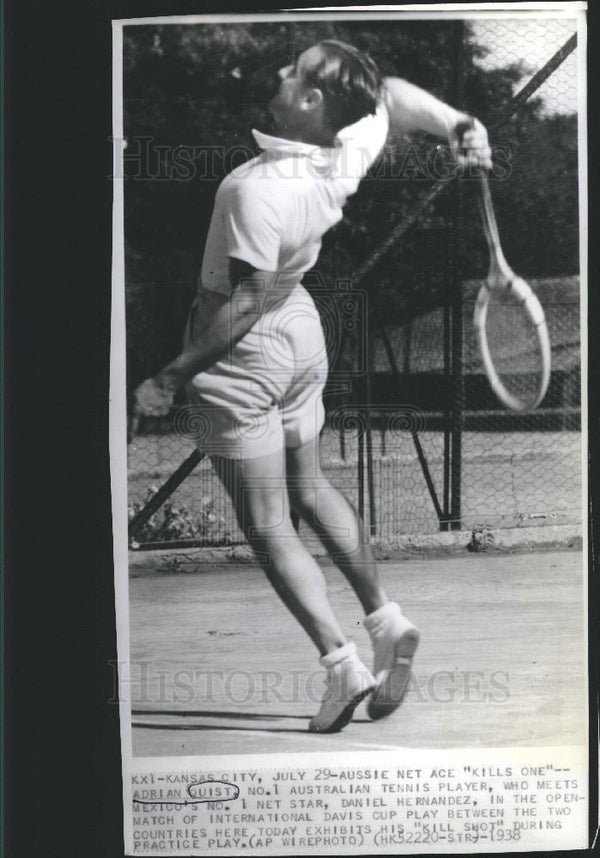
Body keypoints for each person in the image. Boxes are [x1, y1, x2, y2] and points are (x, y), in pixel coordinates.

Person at [133, 40, 492, 733]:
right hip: (300, 331)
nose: (281, 73)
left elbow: (242, 303)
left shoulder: (254, 189)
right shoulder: (343, 151)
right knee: (313, 486)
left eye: (295, 72)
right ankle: (386, 621)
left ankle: (341, 664)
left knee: (267, 523)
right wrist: (457, 123)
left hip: (239, 346)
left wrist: (171, 374)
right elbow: (388, 92)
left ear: (312, 102)